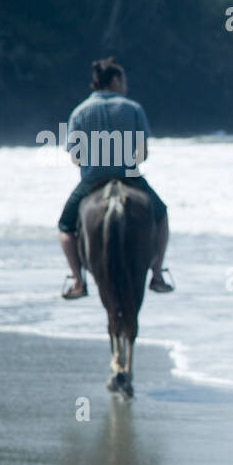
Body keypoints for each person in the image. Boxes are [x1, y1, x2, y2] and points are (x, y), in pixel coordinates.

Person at [57, 58, 173, 299]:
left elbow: (75, 158)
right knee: (161, 215)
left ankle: (78, 281)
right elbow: (142, 155)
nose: (126, 85)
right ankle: (158, 274)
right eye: (124, 80)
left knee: (66, 227)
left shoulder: (79, 112)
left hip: (92, 181)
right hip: (129, 177)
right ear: (116, 80)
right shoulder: (132, 108)